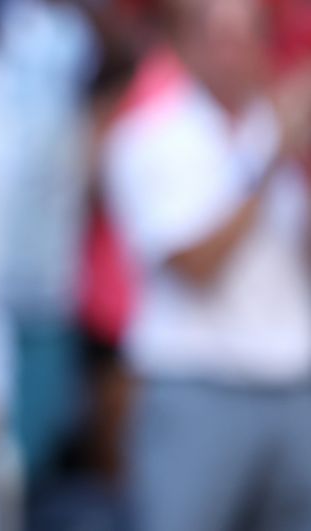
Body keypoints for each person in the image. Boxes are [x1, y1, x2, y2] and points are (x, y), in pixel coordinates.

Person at [103, 0, 311, 529]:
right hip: (196, 386)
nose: (231, 54)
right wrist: (269, 160)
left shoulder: (278, 130)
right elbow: (196, 266)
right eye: (218, 37)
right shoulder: (150, 136)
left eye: (244, 37)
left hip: (293, 385)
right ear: (184, 46)